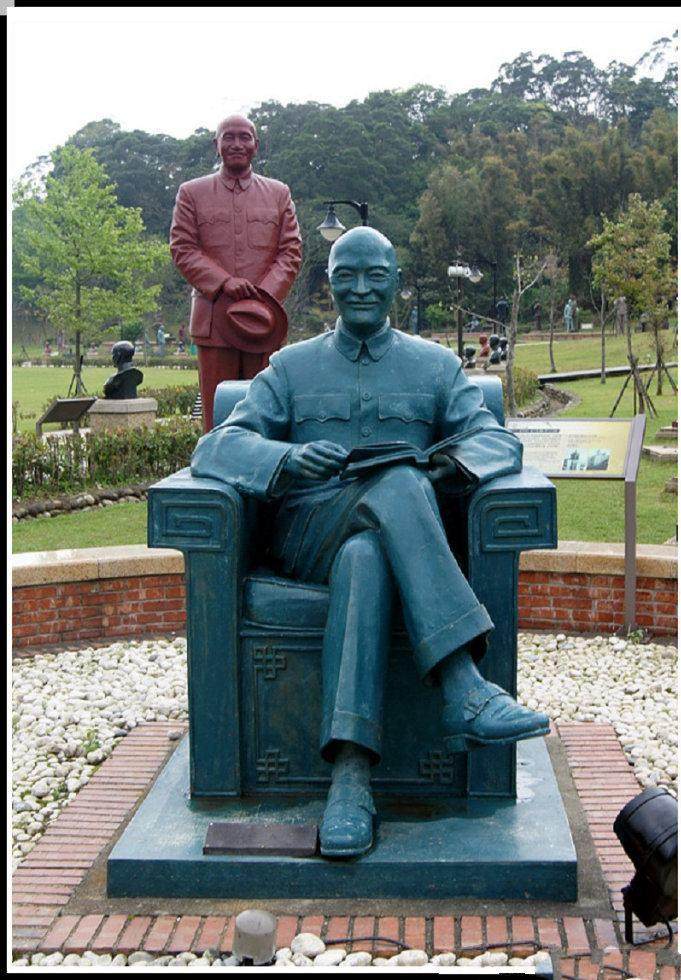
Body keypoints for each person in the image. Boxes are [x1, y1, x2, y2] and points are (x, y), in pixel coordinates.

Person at [190, 227, 549, 858]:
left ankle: (351, 781)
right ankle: (463, 683)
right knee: (397, 485)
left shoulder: (435, 367)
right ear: (328, 284)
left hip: (379, 548)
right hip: (308, 538)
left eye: (374, 275)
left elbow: (497, 441)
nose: (360, 288)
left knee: (371, 550)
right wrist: (288, 457)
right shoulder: (291, 367)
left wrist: (450, 468)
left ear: (395, 282)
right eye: (346, 275)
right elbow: (217, 446)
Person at [170, 114, 302, 431]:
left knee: (265, 410)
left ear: (256, 145)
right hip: (214, 322)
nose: (237, 144)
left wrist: (262, 298)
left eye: (245, 137)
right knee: (218, 417)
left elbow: (291, 250)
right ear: (216, 145)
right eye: (228, 137)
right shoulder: (191, 192)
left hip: (263, 323)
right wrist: (224, 283)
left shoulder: (278, 193)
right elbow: (182, 248)